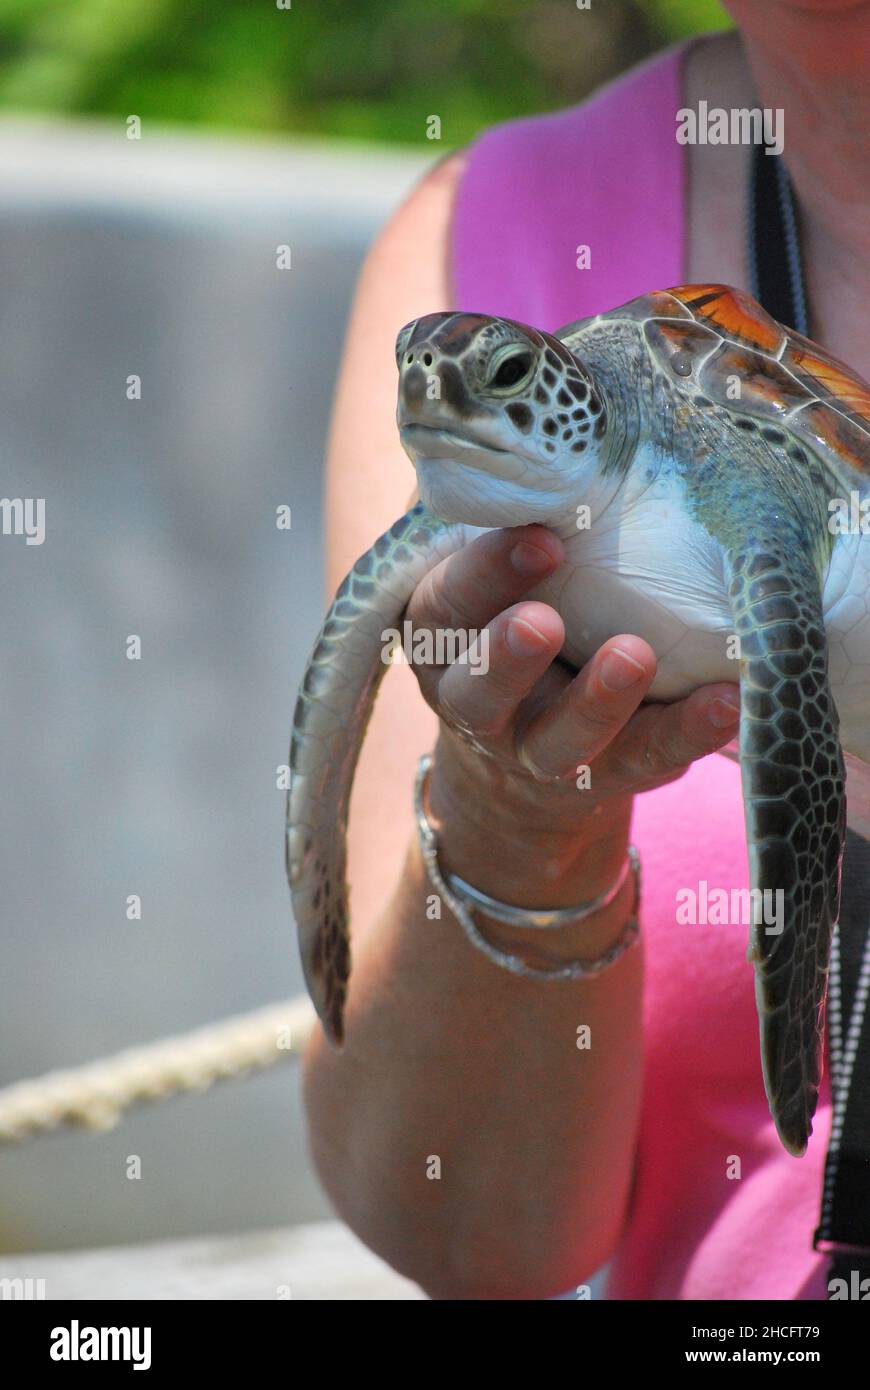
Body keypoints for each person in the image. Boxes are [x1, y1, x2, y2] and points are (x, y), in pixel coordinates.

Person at [302, 2, 870, 1299]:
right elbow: (469, 1241)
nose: (449, 404)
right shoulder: (489, 230)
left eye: (502, 379)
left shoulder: (752, 500)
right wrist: (511, 814)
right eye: (440, 386)